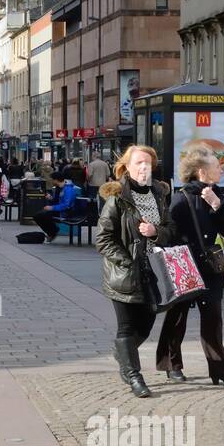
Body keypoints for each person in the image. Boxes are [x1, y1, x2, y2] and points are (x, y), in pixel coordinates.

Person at [155, 145, 224, 386]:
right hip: (185, 267)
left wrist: (218, 206)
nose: (221, 168)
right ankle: (172, 364)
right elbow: (169, 233)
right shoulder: (180, 199)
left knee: (213, 319)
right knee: (177, 317)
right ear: (202, 171)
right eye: (216, 165)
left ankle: (220, 370)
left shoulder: (216, 194)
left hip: (210, 266)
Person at [95, 145, 175, 398]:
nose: (143, 168)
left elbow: (171, 229)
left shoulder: (160, 193)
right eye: (138, 163)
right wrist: (127, 262)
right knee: (127, 327)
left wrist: (157, 232)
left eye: (148, 164)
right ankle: (134, 375)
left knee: (148, 323)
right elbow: (104, 239)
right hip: (124, 274)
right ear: (127, 167)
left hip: (154, 271)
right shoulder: (117, 196)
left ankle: (123, 354)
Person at [34, 171, 78, 242]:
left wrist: (52, 208)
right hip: (58, 209)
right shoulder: (58, 188)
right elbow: (57, 200)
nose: (51, 181)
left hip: (65, 212)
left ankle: (53, 232)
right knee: (38, 216)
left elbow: (67, 205)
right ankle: (52, 232)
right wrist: (51, 198)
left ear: (56, 180)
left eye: (52, 179)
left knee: (42, 215)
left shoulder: (68, 189)